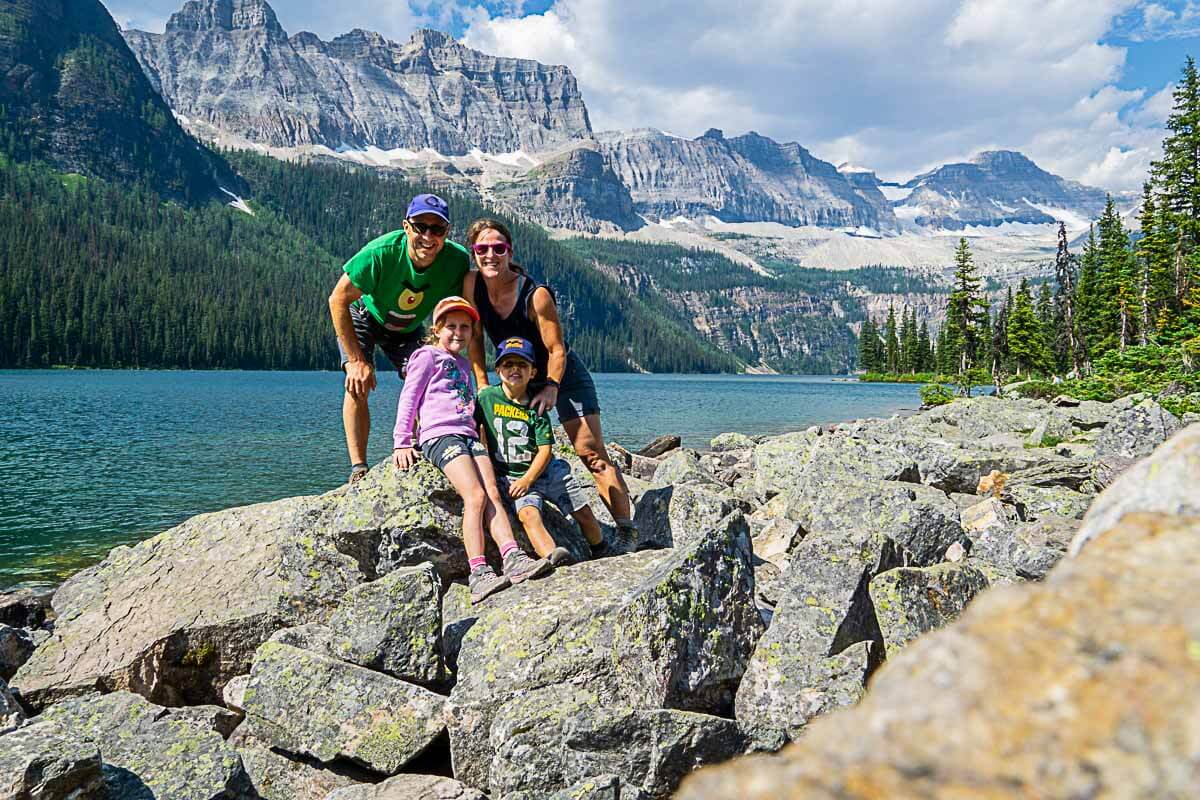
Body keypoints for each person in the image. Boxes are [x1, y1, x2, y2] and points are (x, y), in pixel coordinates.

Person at [462, 218, 637, 549]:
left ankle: (627, 531)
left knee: (591, 453)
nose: (490, 255)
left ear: (509, 251)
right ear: (474, 253)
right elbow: (474, 337)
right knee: (500, 448)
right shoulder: (472, 285)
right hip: (515, 376)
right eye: (482, 249)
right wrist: (483, 383)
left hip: (562, 374)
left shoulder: (535, 294)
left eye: (498, 248)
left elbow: (556, 350)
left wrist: (552, 386)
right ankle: (513, 523)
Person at [393, 296, 552, 604]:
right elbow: (409, 398)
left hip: (468, 436)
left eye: (465, 327)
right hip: (441, 436)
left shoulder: (463, 364)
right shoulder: (426, 356)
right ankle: (478, 572)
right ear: (437, 328)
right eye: (451, 326)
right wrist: (403, 441)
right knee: (475, 496)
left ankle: (513, 558)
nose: (458, 332)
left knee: (493, 492)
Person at [329, 193, 470, 484]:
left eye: (437, 230)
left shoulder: (456, 260)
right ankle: (359, 468)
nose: (428, 237)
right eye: (420, 227)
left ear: (447, 232)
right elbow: (337, 299)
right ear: (406, 227)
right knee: (358, 381)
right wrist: (355, 360)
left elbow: (462, 306)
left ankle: (425, 443)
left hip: (408, 328)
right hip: (365, 316)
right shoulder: (381, 253)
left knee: (433, 375)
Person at [476, 337, 607, 565]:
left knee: (582, 510)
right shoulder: (487, 398)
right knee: (528, 515)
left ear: (533, 372)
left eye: (522, 364)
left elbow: (545, 450)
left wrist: (529, 479)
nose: (514, 369)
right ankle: (553, 556)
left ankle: (601, 547)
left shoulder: (536, 406)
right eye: (508, 364)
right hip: (512, 476)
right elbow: (472, 428)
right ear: (497, 370)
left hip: (547, 471)